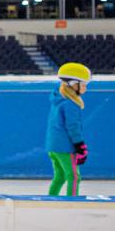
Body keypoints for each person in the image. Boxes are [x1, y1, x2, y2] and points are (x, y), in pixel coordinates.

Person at [46, 62, 90, 196]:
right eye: (83, 84)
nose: (86, 88)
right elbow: (73, 126)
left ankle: (50, 200)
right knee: (74, 176)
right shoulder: (71, 104)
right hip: (65, 147)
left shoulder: (58, 99)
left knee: (60, 176)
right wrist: (79, 145)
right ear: (73, 84)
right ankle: (72, 202)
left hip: (53, 146)